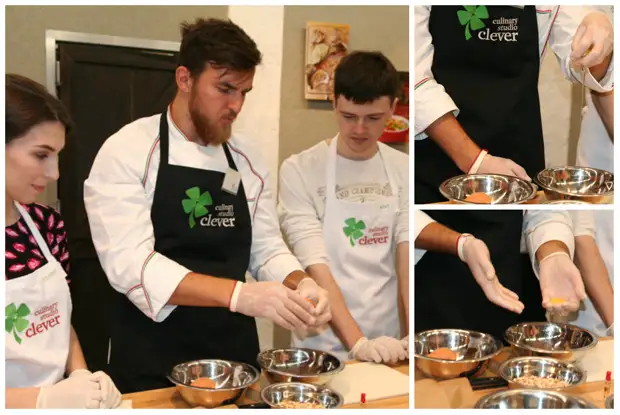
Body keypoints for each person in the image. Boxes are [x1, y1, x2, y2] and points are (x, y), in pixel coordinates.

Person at [83, 18, 331, 394]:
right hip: (152, 356)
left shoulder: (247, 159)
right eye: (225, 89)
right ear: (185, 78)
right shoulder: (128, 150)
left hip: (232, 359)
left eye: (244, 91)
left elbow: (264, 248)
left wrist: (301, 283)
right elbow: (132, 266)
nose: (236, 105)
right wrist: (239, 295)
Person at [278, 51, 408, 364]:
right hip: (321, 344)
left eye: (374, 118)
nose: (360, 130)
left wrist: (410, 336)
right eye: (349, 116)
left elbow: (405, 260)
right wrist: (358, 344)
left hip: (387, 340)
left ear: (393, 107)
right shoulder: (300, 169)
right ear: (334, 103)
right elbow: (315, 264)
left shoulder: (404, 168)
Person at [414, 5, 613, 200]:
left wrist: (597, 41)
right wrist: (475, 160)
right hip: (440, 156)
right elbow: (418, 83)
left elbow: (579, 62)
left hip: (517, 153)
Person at [5, 74, 121, 409]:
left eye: (58, 156)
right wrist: (44, 399)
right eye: (41, 155)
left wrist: (81, 375)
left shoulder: (45, 225)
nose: (54, 173)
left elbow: (56, 317)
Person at [415, 209, 587, 340]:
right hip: (435, 288)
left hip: (509, 293)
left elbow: (542, 209)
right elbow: (405, 215)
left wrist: (553, 253)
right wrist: (462, 245)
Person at [414, 211, 525, 315]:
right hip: (433, 273)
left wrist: (543, 252)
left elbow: (537, 215)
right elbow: (406, 219)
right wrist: (463, 244)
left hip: (504, 272)